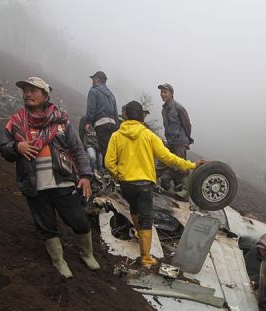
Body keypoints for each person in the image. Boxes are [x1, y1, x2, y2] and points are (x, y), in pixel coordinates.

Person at [0, 76, 99, 279]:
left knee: (78, 220)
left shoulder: (61, 120)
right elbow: (3, 148)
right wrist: (16, 146)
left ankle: (87, 254)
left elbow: (78, 149)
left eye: (33, 90)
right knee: (46, 226)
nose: (28, 93)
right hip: (35, 184)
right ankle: (59, 261)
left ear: (45, 95)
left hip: (62, 181)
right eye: (25, 90)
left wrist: (86, 175)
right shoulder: (16, 121)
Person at [104, 100, 204, 267]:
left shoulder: (117, 136)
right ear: (142, 117)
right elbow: (168, 157)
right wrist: (191, 165)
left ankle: (138, 234)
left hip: (126, 184)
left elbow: (109, 163)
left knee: (134, 209)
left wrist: (119, 175)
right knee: (146, 219)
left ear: (126, 115)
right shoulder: (149, 136)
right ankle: (145, 258)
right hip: (144, 184)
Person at [157, 83, 194, 193]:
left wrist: (186, 140)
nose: (163, 94)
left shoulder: (179, 108)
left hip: (179, 142)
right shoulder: (164, 109)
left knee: (181, 167)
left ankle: (186, 193)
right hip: (170, 142)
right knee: (170, 165)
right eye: (161, 92)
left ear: (171, 94)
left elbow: (187, 125)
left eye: (165, 92)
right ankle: (174, 190)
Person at [86, 70, 118, 161]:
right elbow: (115, 112)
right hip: (113, 124)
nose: (92, 81)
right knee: (112, 149)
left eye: (93, 79)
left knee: (104, 150)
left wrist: (88, 122)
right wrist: (117, 127)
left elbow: (91, 108)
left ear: (97, 79)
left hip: (101, 123)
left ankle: (107, 172)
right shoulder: (111, 95)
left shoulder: (93, 91)